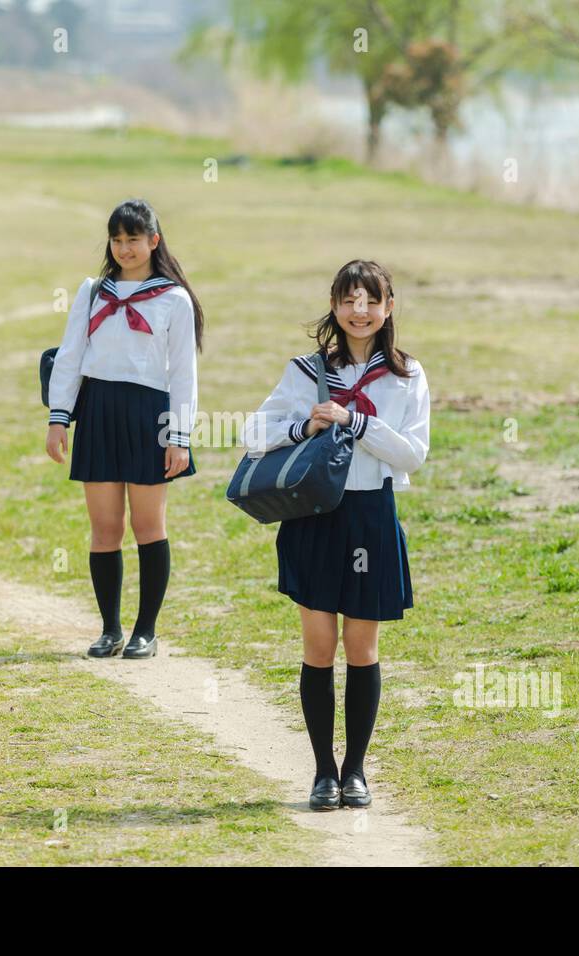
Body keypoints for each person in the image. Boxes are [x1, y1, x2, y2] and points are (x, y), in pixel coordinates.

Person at [243, 260, 429, 810]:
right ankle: (323, 772)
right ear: (334, 304)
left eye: (371, 300)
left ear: (389, 307)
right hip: (316, 519)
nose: (360, 311)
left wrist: (356, 422)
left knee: (362, 647)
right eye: (349, 300)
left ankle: (356, 772)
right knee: (320, 647)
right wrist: (306, 425)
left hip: (372, 516)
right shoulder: (305, 372)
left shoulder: (408, 376)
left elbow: (414, 453)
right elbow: (254, 433)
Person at [45, 199, 203, 660]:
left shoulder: (174, 299)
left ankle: (146, 630)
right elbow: (70, 354)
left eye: (134, 239)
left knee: (148, 525)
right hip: (97, 410)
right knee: (105, 527)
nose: (125, 248)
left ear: (154, 241)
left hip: (149, 414)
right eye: (117, 240)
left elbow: (183, 374)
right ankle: (109, 628)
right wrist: (58, 417)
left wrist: (180, 437)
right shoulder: (93, 291)